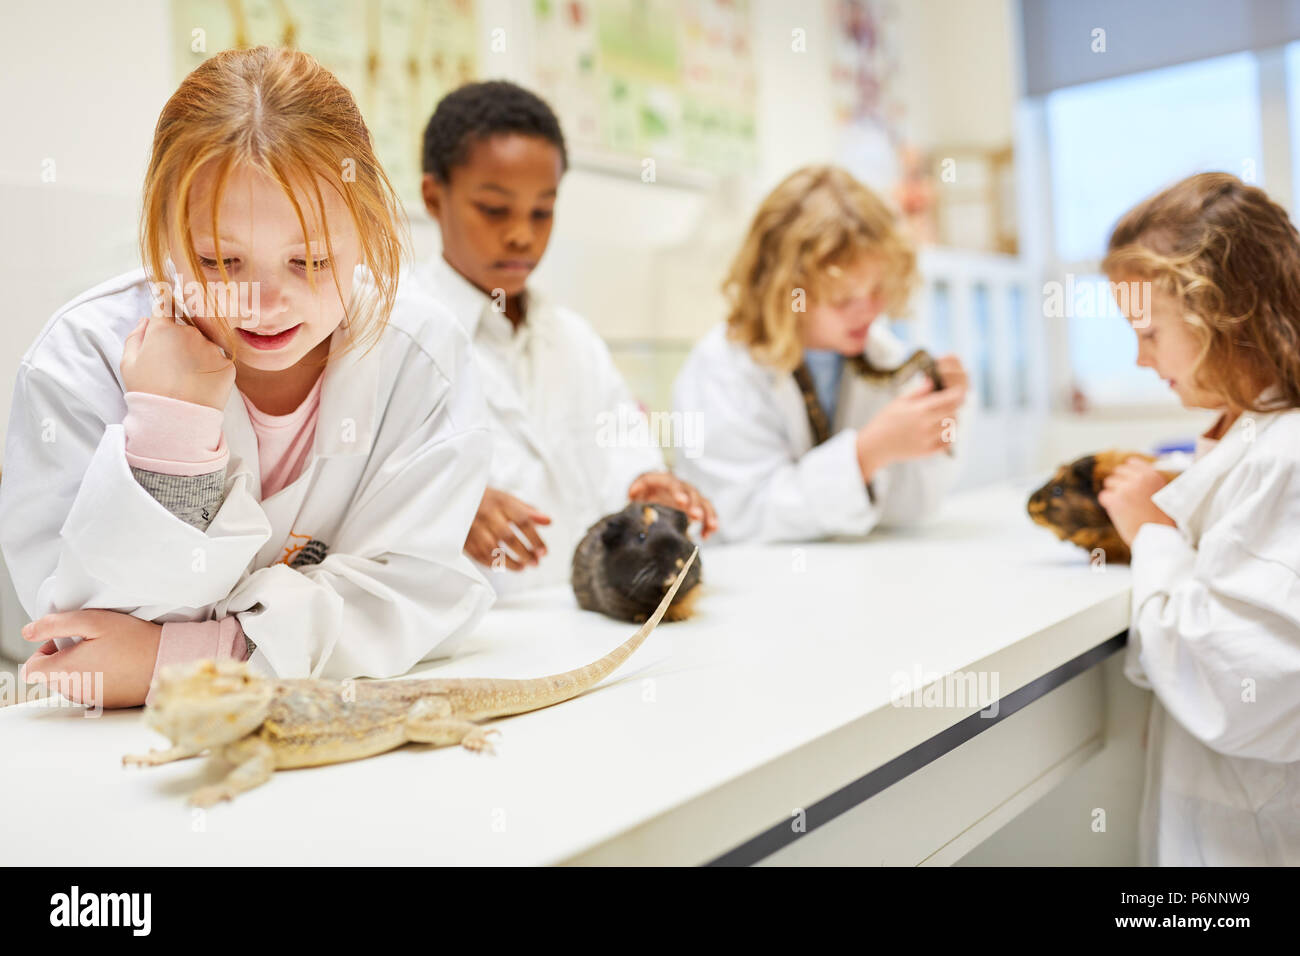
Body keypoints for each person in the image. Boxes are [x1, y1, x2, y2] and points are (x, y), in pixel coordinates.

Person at [0, 47, 494, 708]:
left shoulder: (421, 354)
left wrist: (177, 660)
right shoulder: (79, 357)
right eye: (219, 259)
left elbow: (413, 595)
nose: (262, 305)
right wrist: (170, 435)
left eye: (311, 261)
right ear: (162, 235)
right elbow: (83, 633)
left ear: (368, 229)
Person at [411, 80, 717, 592]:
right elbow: (355, 500)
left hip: (586, 621)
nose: (521, 235)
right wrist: (447, 502)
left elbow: (625, 454)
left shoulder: (573, 340)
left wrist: (650, 488)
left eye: (542, 211)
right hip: (471, 637)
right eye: (493, 209)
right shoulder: (394, 332)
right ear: (433, 197)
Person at [1098, 172, 1300, 865]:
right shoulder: (1252, 436)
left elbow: (1232, 687)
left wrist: (1151, 531)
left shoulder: (1288, 455)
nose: (1139, 357)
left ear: (1221, 311)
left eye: (1148, 331)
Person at [672, 165, 969, 543]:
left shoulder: (881, 357)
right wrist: (866, 455)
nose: (867, 311)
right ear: (785, 293)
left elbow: (911, 508)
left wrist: (940, 414)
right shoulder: (721, 370)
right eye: (843, 299)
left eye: (878, 289)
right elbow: (742, 517)